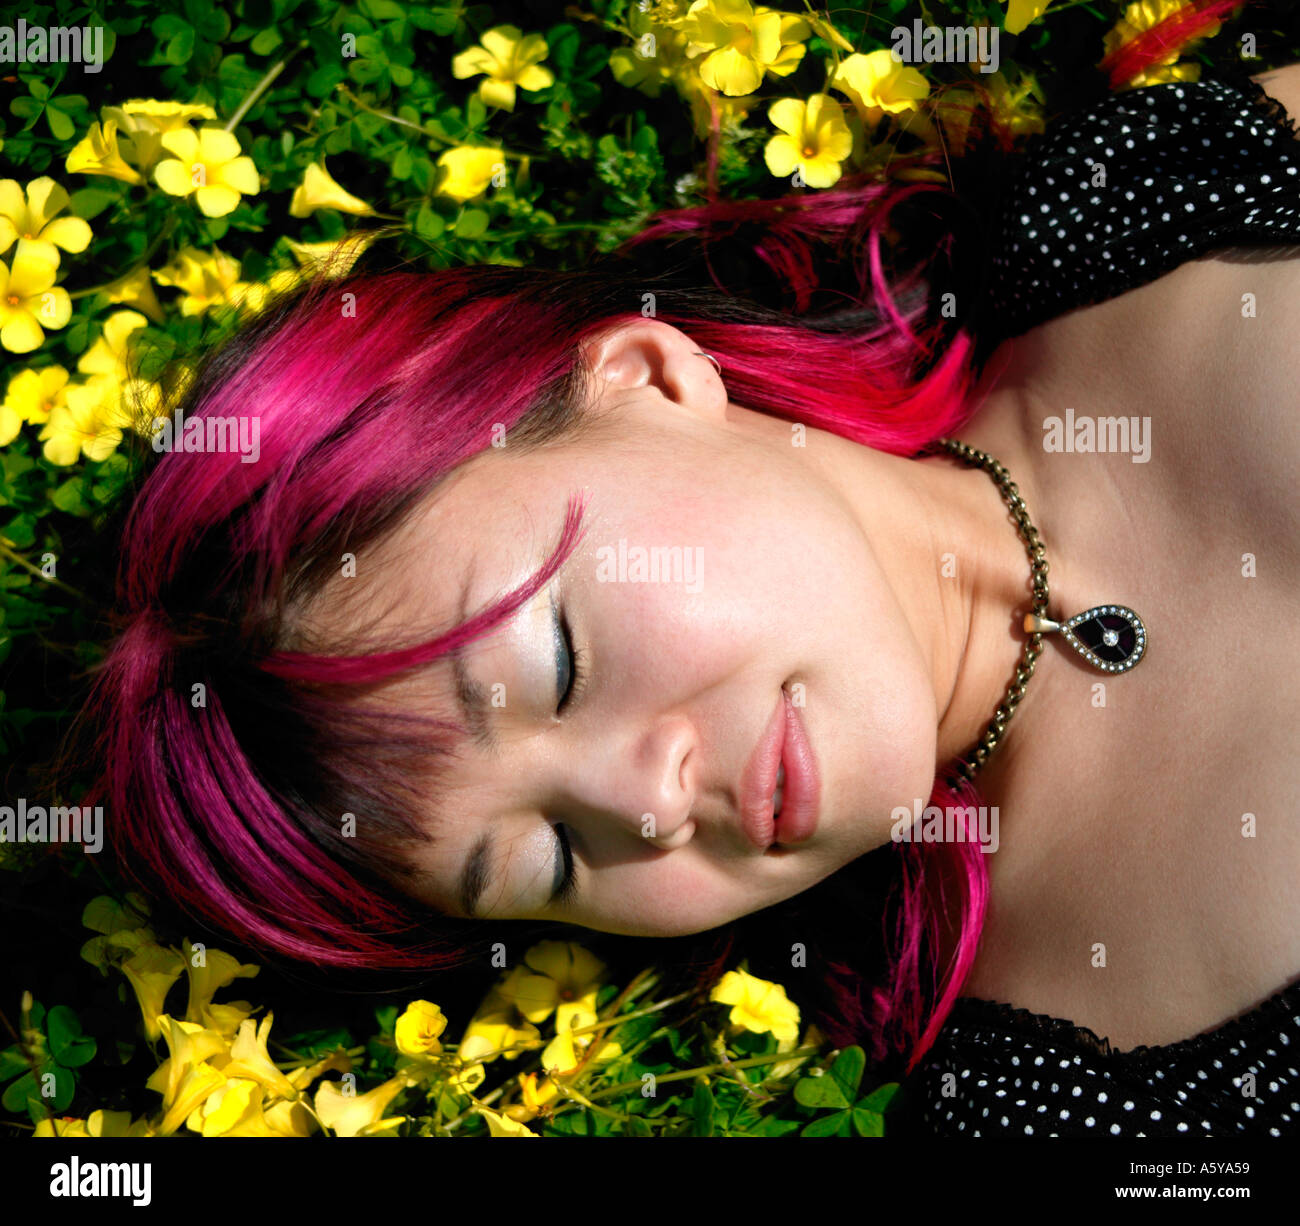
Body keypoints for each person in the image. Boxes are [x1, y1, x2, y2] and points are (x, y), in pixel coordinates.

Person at [74, 46, 1300, 1137]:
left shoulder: (1148, 205)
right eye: (554, 856)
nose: (645, 806)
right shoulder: (1070, 1097)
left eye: (561, 664)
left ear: (647, 377)